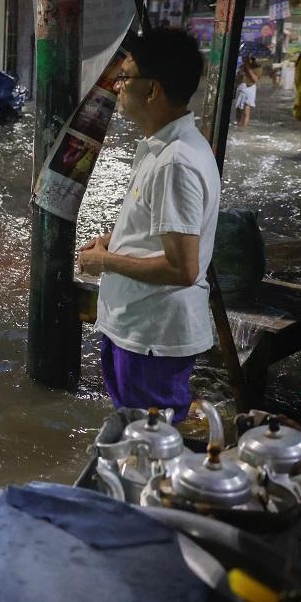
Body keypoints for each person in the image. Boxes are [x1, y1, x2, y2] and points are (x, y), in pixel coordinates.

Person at [77, 28, 219, 423]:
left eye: (125, 78)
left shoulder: (175, 161)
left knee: (149, 445)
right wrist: (111, 240)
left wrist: (106, 261)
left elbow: (183, 268)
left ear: (152, 90)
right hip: (138, 328)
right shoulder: (167, 147)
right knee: (137, 438)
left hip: (151, 334)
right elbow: (159, 230)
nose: (118, 87)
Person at [234, 54, 261, 127]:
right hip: (241, 88)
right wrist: (240, 74)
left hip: (249, 89)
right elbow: (237, 80)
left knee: (246, 111)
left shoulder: (257, 68)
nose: (243, 59)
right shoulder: (241, 67)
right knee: (238, 110)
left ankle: (244, 128)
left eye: (245, 58)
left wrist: (248, 68)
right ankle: (238, 126)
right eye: (243, 58)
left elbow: (255, 79)